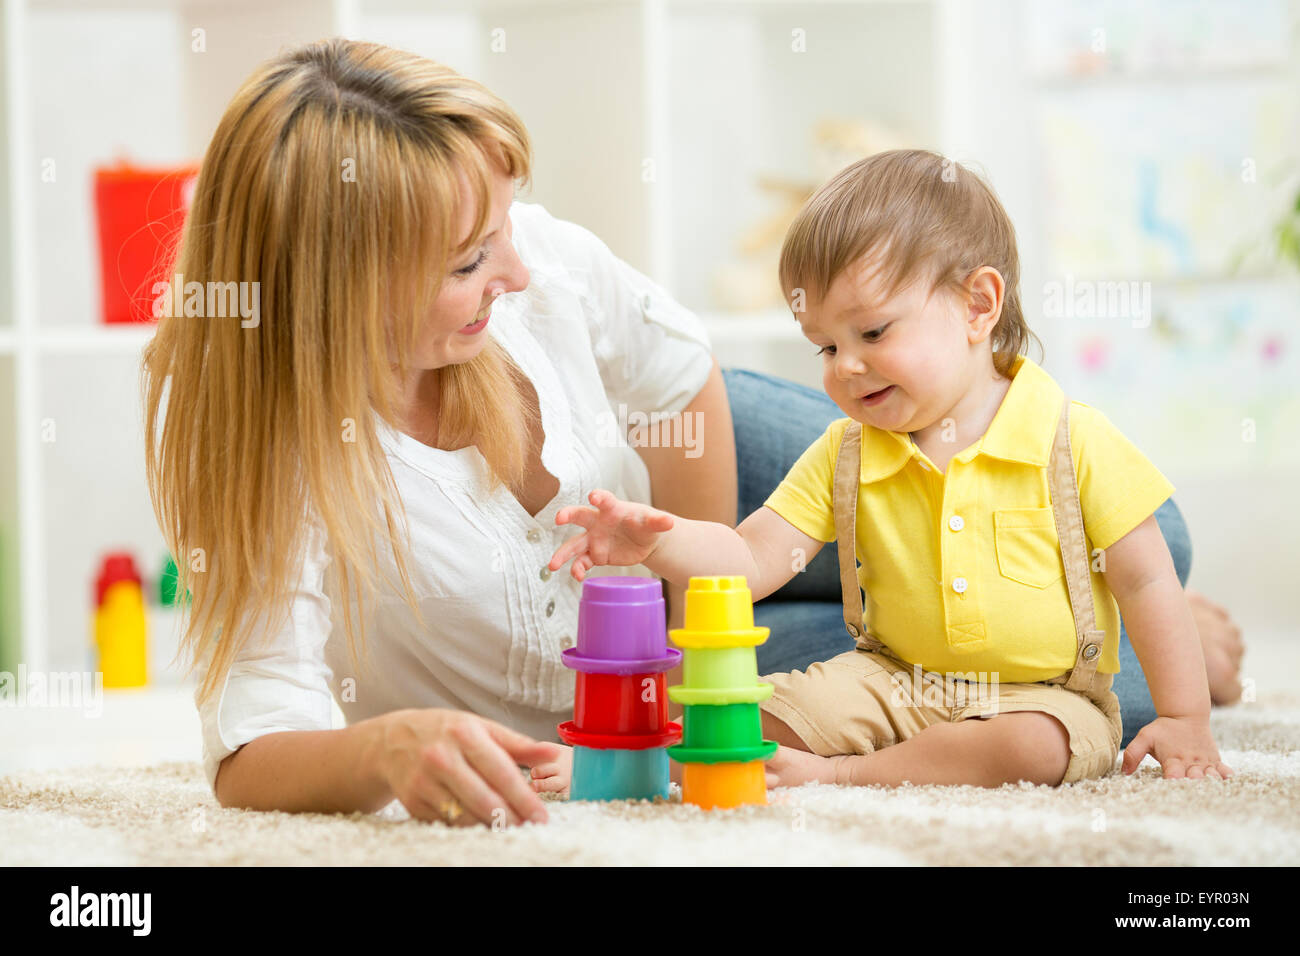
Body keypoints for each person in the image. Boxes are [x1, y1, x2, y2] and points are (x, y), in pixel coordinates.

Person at [141, 38, 737, 828]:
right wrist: (386, 747)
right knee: (886, 676)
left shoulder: (543, 268)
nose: (518, 272)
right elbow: (256, 741)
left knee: (924, 512)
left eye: (506, 227)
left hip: (711, 482)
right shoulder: (271, 444)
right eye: (468, 263)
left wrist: (707, 645)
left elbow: (678, 378)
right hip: (629, 667)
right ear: (336, 292)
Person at [542, 149, 1235, 789]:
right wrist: (661, 541)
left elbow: (1146, 577)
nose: (845, 366)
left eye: (872, 333)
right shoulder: (847, 450)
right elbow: (752, 557)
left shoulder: (1072, 437)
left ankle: (843, 778)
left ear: (977, 305)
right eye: (825, 346)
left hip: (1041, 696)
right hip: (888, 678)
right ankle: (631, 764)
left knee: (1033, 750)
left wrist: (1185, 718)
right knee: (747, 716)